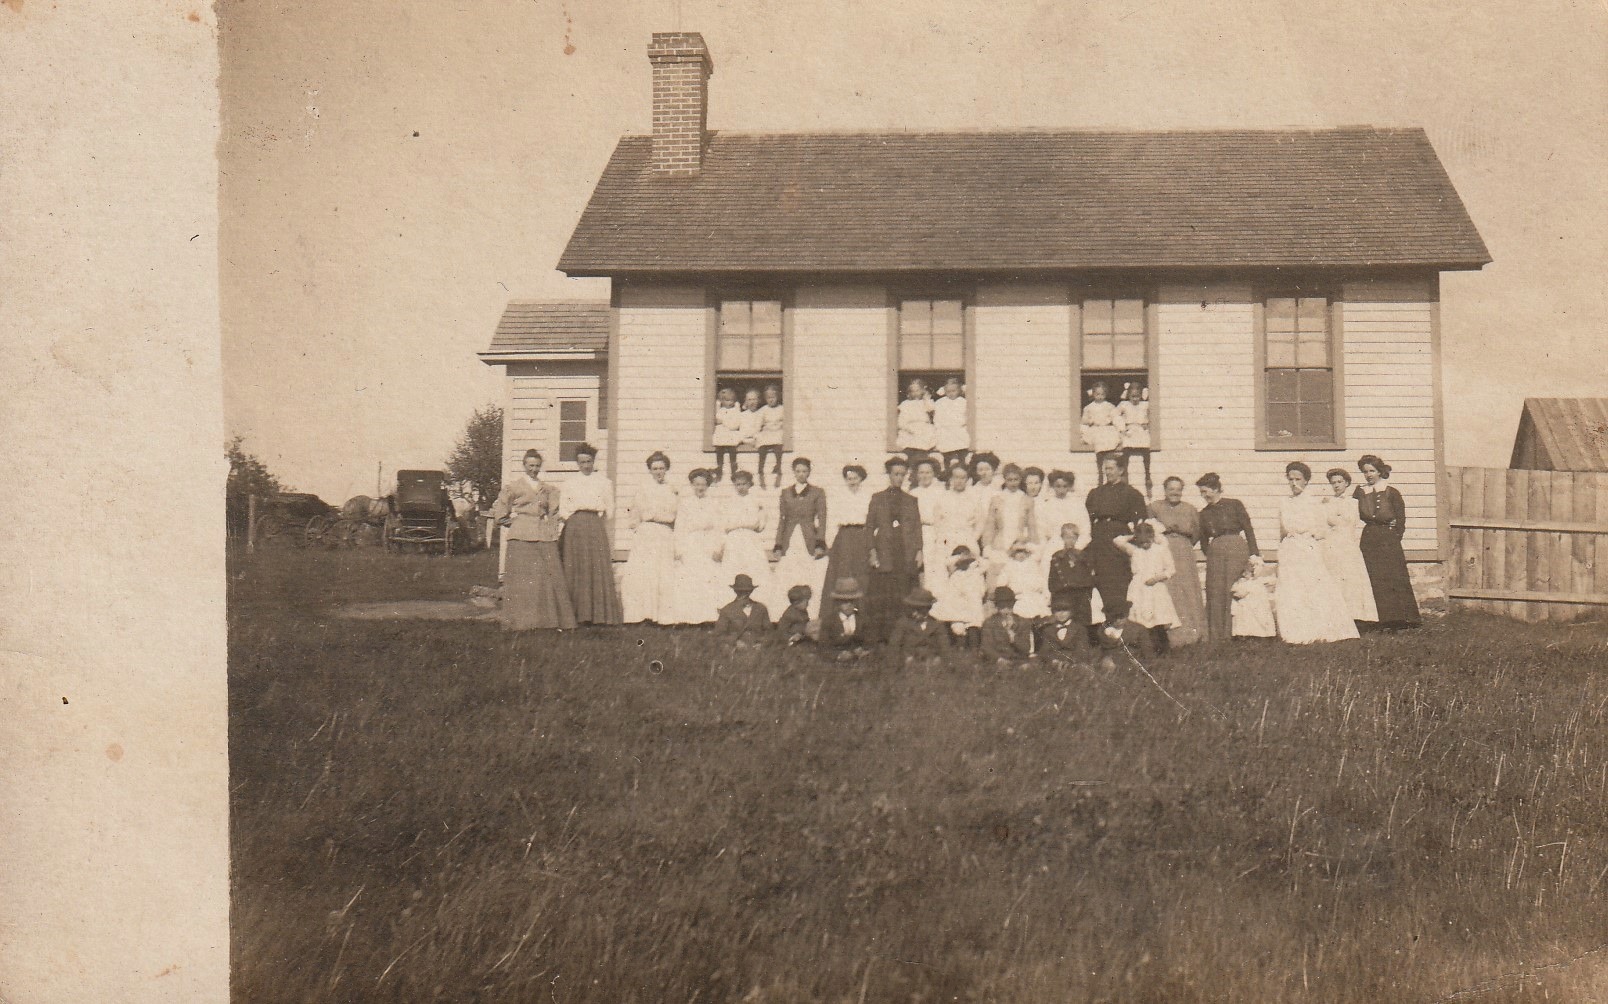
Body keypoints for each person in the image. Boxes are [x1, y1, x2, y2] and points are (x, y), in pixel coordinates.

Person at [489, 449, 577, 631]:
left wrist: (552, 529)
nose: (534, 469)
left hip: (543, 535)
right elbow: (500, 515)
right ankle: (520, 622)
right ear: (524, 465)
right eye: (530, 465)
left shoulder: (547, 489)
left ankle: (545, 621)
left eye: (537, 466)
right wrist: (515, 522)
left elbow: (553, 513)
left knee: (547, 577)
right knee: (522, 580)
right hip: (521, 536)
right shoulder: (513, 487)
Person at [1274, 462, 1360, 644]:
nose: (1294, 483)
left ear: (1306, 481)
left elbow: (1322, 529)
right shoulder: (1284, 502)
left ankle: (1317, 628)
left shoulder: (1314, 501)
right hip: (1290, 548)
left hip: (1307, 547)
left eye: (1298, 479)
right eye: (1290, 479)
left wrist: (1310, 540)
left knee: (1312, 587)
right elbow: (1282, 529)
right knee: (1291, 589)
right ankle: (1294, 632)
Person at [557, 443, 623, 625]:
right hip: (575, 525)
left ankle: (598, 615)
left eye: (589, 461)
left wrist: (598, 519)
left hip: (594, 525)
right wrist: (572, 522)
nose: (586, 465)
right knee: (576, 567)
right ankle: (577, 614)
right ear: (577, 463)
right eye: (582, 462)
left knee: (595, 567)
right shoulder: (569, 483)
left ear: (594, 462)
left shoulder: (603, 482)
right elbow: (563, 508)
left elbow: (610, 508)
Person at [1355, 454, 1421, 629]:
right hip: (1369, 538)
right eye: (1365, 472)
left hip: (1388, 539)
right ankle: (1378, 619)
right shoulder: (1360, 492)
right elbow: (1350, 514)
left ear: (1380, 472)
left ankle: (1401, 619)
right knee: (1373, 577)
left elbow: (1401, 519)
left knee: (1393, 576)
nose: (1368, 475)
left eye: (1372, 471)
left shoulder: (1391, 492)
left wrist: (1393, 536)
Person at [1085, 454, 1148, 631]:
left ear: (1121, 470)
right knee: (1100, 583)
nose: (1107, 472)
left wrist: (1128, 542)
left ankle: (1122, 630)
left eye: (1111, 468)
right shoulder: (1096, 493)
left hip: (1119, 541)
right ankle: (1104, 631)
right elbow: (1087, 521)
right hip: (1098, 540)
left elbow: (1140, 524)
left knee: (1119, 583)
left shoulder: (1132, 494)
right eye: (1105, 468)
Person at [1196, 472, 1261, 642]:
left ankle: (1238, 633)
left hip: (1236, 548)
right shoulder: (1203, 513)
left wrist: (1254, 553)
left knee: (1234, 588)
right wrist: (1211, 553)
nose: (1204, 496)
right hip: (1216, 552)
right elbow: (1203, 540)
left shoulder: (1234, 505)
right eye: (1201, 493)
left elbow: (1248, 528)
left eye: (1205, 492)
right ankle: (1218, 636)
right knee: (1216, 591)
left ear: (1216, 489)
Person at [865, 457, 923, 644]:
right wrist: (872, 552)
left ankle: (904, 635)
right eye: (896, 474)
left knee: (904, 592)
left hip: (904, 551)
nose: (899, 478)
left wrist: (919, 551)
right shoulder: (878, 498)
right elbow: (869, 527)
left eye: (902, 475)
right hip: (885, 552)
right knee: (885, 594)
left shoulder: (911, 500)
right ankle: (884, 636)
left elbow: (916, 528)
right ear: (889, 475)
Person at [765, 457, 828, 621]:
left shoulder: (817, 492)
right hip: (790, 540)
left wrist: (820, 543)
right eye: (798, 471)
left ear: (809, 472)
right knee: (787, 573)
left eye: (804, 471)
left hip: (808, 539)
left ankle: (811, 614)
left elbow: (822, 520)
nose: (801, 474)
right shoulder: (786, 493)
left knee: (809, 574)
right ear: (793, 472)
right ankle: (781, 615)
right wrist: (778, 545)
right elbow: (782, 520)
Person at [619, 451, 679, 625]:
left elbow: (676, 514)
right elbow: (633, 511)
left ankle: (663, 617)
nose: (659, 472)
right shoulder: (643, 489)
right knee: (644, 573)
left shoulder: (672, 490)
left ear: (666, 469)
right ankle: (641, 615)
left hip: (665, 534)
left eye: (661, 468)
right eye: (655, 468)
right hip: (647, 535)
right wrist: (638, 529)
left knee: (663, 573)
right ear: (650, 470)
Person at [1148, 476, 1206, 647]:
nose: (1175, 492)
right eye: (1171, 489)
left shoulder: (1190, 509)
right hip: (1163, 552)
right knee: (1168, 589)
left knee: (1187, 589)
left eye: (1178, 489)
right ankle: (1171, 637)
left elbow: (1196, 533)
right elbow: (1148, 530)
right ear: (1165, 490)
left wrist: (1182, 539)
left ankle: (1192, 634)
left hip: (1184, 553)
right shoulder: (1154, 507)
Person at [1320, 468, 1379, 627]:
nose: (1336, 485)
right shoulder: (1326, 502)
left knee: (1350, 580)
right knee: (1333, 578)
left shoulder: (1353, 503)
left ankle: (1353, 616)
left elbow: (1348, 523)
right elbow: (1322, 523)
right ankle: (1334, 616)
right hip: (1331, 545)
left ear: (1346, 483)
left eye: (1340, 482)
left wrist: (1333, 520)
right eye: (1333, 483)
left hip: (1346, 544)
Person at [1114, 523, 1179, 656]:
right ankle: (1146, 650)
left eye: (1147, 540)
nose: (1144, 544)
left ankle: (1164, 651)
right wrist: (1133, 535)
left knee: (1158, 619)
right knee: (1141, 621)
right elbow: (1117, 540)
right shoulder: (1134, 550)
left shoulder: (1161, 549)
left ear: (1152, 537)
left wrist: (1157, 578)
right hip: (1138, 589)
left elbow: (1171, 569)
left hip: (1156, 588)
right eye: (1141, 541)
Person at [672, 469, 726, 625]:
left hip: (708, 542)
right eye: (697, 484)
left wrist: (718, 548)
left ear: (708, 485)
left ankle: (708, 617)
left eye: (703, 484)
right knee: (689, 578)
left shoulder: (714, 503)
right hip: (691, 543)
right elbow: (679, 527)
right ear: (692, 485)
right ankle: (687, 618)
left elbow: (720, 527)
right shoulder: (685, 503)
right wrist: (679, 549)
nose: (700, 488)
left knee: (708, 578)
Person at [822, 464, 873, 603]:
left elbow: (872, 520)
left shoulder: (868, 496)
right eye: (848, 478)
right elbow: (832, 519)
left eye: (855, 478)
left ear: (861, 479)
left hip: (861, 534)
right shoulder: (840, 496)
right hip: (844, 536)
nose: (852, 481)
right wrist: (830, 542)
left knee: (861, 569)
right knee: (843, 569)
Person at [1046, 522, 1099, 647]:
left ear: (1077, 538)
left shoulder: (1083, 556)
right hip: (1063, 596)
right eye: (1067, 537)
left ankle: (1083, 649)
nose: (1070, 540)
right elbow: (1052, 581)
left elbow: (1089, 579)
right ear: (1062, 538)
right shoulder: (1057, 557)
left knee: (1082, 623)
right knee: (1064, 621)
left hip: (1080, 596)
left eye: (1073, 537)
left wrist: (1081, 587)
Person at [720, 469, 772, 596]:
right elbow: (724, 524)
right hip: (734, 538)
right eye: (738, 484)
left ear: (749, 484)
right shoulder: (729, 502)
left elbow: (761, 524)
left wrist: (755, 525)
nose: (741, 487)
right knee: (734, 567)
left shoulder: (756, 501)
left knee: (753, 566)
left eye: (744, 484)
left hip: (750, 538)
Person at [931, 463, 983, 587]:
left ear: (967, 479)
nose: (959, 481)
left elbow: (980, 523)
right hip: (946, 540)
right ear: (951, 479)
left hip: (967, 539)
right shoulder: (943, 498)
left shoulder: (974, 498)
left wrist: (971, 538)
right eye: (956, 477)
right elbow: (937, 523)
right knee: (944, 573)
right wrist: (942, 540)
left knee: (969, 573)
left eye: (962, 477)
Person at [983, 463, 1036, 583]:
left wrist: (1032, 544)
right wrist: (987, 545)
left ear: (1020, 480)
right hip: (1000, 543)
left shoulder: (1027, 500)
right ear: (1005, 480)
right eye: (1010, 480)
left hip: (1019, 543)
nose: (1013, 483)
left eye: (1016, 479)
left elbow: (1032, 525)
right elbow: (990, 525)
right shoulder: (997, 499)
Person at [1036, 471, 1090, 578]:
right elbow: (1041, 530)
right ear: (1052, 486)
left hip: (1075, 545)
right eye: (1058, 486)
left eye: (1065, 486)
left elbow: (1086, 530)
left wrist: (1076, 547)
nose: (1061, 490)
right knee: (1048, 568)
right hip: (1054, 545)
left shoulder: (1077, 505)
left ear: (1069, 487)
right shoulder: (1047, 505)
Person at [931, 545, 986, 647]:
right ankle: (960, 646)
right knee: (958, 625)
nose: (966, 564)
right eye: (963, 562)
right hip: (960, 606)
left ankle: (972, 649)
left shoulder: (976, 573)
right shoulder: (957, 575)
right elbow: (952, 593)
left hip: (973, 605)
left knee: (972, 625)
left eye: (968, 561)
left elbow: (981, 590)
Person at [909, 457, 946, 589]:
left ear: (934, 473)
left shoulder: (941, 492)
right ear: (917, 474)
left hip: (936, 532)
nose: (925, 476)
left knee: (936, 567)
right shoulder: (913, 493)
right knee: (920, 566)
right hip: (918, 533)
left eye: (928, 472)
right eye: (921, 472)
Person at [888, 587, 949, 664]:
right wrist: (901, 660)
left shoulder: (937, 624)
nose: (915, 612)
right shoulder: (903, 623)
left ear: (928, 608)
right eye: (913, 608)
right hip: (908, 661)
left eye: (920, 609)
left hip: (932, 663)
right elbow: (894, 646)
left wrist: (940, 659)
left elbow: (944, 647)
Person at [1079, 381, 1123, 478]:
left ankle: (1110, 471)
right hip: (1096, 429)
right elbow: (1084, 422)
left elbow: (1116, 418)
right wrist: (1083, 433)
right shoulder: (1089, 407)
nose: (1100, 396)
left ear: (1105, 395)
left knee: (1110, 446)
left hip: (1107, 428)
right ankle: (1100, 473)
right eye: (1097, 394)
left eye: (1102, 394)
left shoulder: (1109, 406)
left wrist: (1121, 429)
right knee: (1099, 447)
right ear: (1093, 394)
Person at [1116, 382, 1153, 498]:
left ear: (1141, 395)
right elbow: (1115, 415)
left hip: (1141, 429)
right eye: (1133, 396)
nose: (1135, 399)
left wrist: (1148, 424)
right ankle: (1125, 475)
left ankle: (1147, 475)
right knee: (1126, 450)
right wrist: (1122, 428)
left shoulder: (1145, 405)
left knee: (1146, 449)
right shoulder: (1124, 404)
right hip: (1130, 430)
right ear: (1128, 395)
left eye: (1137, 396)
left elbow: (1153, 416)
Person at [981, 586, 1034, 665]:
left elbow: (1026, 648)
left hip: (1018, 660)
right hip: (998, 660)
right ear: (997, 607)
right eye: (1002, 607)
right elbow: (987, 647)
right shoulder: (990, 623)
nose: (1006, 610)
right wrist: (999, 659)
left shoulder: (1023, 622)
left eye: (1009, 606)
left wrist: (1013, 638)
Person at [819, 576, 869, 660]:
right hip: (836, 665)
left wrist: (862, 650)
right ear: (837, 603)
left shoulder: (862, 620)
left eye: (852, 601)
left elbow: (870, 643)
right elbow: (823, 648)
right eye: (844, 602)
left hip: (859, 663)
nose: (849, 605)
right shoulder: (829, 621)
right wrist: (838, 656)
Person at [1000, 541, 1051, 620]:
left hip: (1033, 595)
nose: (1021, 555)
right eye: (1018, 552)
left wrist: (1039, 588)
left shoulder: (1032, 564)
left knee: (1040, 610)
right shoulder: (1009, 566)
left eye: (1024, 552)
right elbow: (1001, 584)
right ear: (1013, 554)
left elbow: (1040, 581)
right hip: (1018, 597)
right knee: (1021, 612)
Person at [715, 573, 771, 642]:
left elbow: (769, 633)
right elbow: (718, 636)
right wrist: (735, 642)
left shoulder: (760, 609)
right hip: (735, 651)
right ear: (735, 591)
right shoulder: (727, 610)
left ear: (751, 591)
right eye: (740, 592)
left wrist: (761, 645)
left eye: (747, 591)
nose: (744, 595)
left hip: (758, 650)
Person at [896, 378, 937, 464]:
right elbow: (901, 420)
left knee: (922, 452)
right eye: (912, 391)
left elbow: (931, 409)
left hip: (923, 430)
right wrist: (908, 428)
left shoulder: (925, 403)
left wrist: (926, 398)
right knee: (910, 451)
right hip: (910, 430)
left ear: (922, 391)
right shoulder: (905, 404)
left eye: (917, 390)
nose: (915, 393)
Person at [933, 376, 970, 470]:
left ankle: (962, 468)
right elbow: (937, 417)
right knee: (947, 455)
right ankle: (948, 471)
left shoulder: (963, 402)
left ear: (959, 390)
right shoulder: (941, 402)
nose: (951, 394)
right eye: (948, 391)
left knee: (961, 453)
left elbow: (966, 416)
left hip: (959, 430)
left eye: (954, 391)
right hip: (946, 432)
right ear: (945, 391)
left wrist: (962, 423)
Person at [1231, 566, 1277, 638]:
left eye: (1248, 573)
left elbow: (1240, 594)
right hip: (1251, 606)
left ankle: (1254, 632)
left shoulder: (1249, 584)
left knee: (1252, 615)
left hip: (1252, 606)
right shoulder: (1253, 583)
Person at [712, 386, 744, 484]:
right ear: (722, 401)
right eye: (726, 400)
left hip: (730, 434)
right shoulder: (721, 410)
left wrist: (724, 422)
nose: (729, 402)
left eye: (731, 400)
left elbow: (735, 424)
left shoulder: (735, 410)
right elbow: (717, 418)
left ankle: (733, 468)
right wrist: (717, 405)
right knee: (719, 449)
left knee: (732, 449)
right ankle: (719, 468)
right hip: (722, 435)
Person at [755, 384, 785, 489]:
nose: (771, 400)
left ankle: (778, 466)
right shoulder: (764, 410)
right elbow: (759, 423)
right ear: (765, 398)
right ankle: (760, 469)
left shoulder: (782, 409)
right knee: (762, 448)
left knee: (778, 447)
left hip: (777, 432)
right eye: (768, 398)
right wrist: (757, 433)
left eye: (773, 397)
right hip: (767, 432)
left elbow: (785, 422)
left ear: (778, 397)